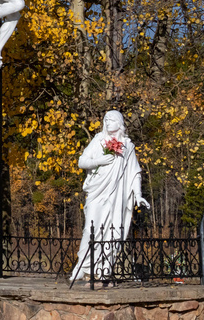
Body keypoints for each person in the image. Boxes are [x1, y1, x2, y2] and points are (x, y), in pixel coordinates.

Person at [70, 110, 150, 286]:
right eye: (105, 120)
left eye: (112, 120)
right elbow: (82, 161)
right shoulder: (98, 140)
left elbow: (134, 172)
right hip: (97, 191)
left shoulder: (127, 146)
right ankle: (82, 266)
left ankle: (104, 269)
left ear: (120, 123)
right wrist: (98, 161)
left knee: (112, 230)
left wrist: (137, 194)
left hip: (116, 195)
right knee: (90, 228)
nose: (107, 123)